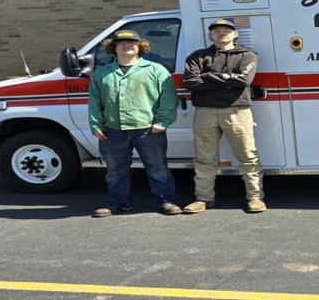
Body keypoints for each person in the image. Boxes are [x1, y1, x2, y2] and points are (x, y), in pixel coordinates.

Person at [87, 29, 180, 217]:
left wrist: (162, 121)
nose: (127, 44)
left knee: (157, 168)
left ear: (140, 46)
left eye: (132, 42)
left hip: (148, 129)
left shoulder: (156, 70)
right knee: (115, 171)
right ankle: (117, 203)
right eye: (121, 42)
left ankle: (166, 201)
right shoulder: (102, 73)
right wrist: (96, 125)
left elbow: (169, 98)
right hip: (112, 130)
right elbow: (94, 101)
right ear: (114, 48)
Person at [183, 19, 265, 214]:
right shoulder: (197, 56)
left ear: (235, 34)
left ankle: (255, 198)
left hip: (237, 110)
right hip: (205, 111)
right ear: (210, 35)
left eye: (226, 30)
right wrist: (228, 79)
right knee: (204, 157)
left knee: (247, 156)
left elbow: (244, 80)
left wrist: (208, 76)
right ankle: (203, 198)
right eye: (217, 31)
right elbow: (190, 83)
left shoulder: (248, 55)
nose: (222, 34)